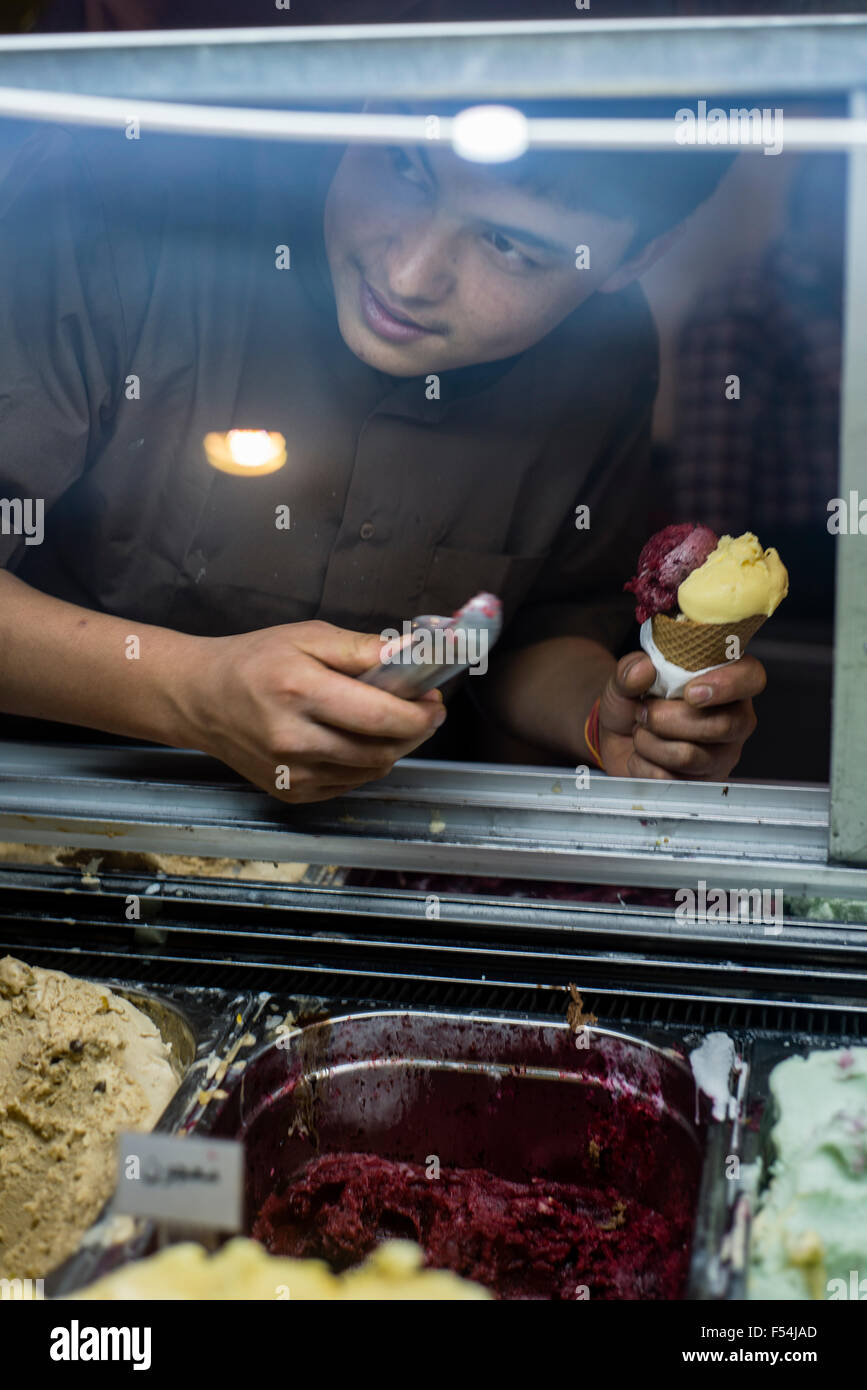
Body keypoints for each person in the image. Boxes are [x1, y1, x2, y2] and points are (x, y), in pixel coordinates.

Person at [0, 101, 765, 802]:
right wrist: (189, 692)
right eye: (404, 167)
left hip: (364, 859)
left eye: (509, 246)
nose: (408, 276)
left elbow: (542, 625)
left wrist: (604, 716)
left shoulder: (606, 355)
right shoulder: (112, 206)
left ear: (632, 261)